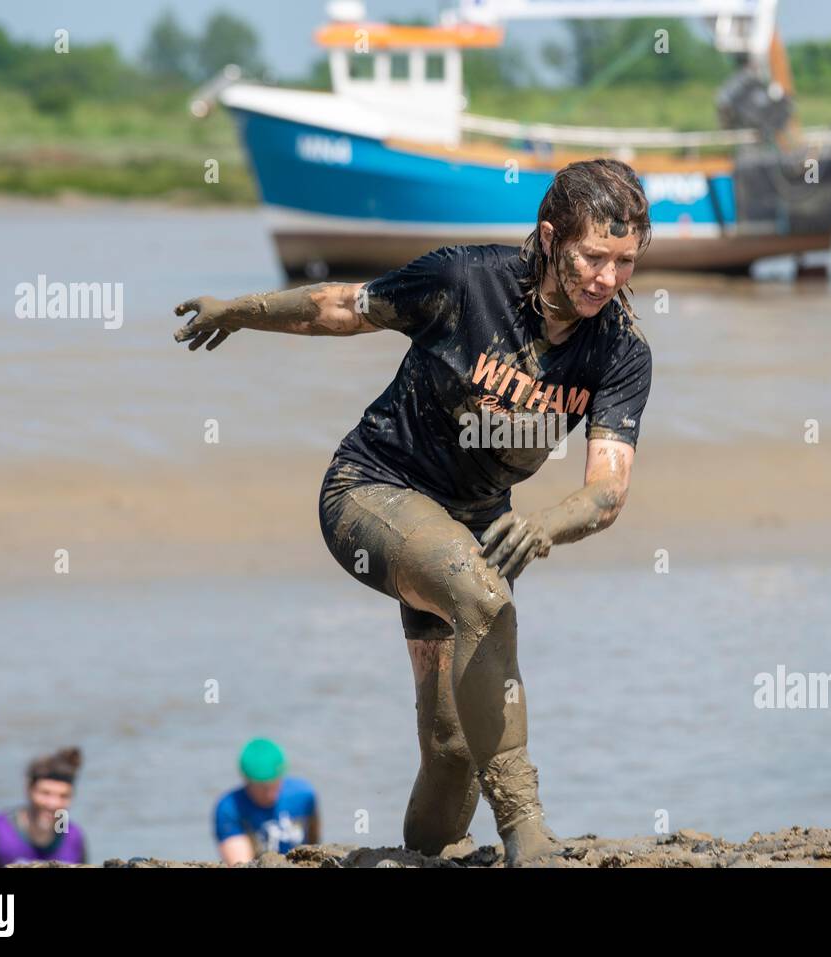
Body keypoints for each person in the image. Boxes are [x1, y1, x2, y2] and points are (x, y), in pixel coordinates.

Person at [173, 158, 653, 866]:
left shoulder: (620, 348)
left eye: (624, 261)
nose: (606, 279)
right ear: (550, 237)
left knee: (455, 747)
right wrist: (241, 311)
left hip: (472, 528)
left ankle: (429, 856)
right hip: (370, 492)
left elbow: (608, 488)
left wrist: (546, 524)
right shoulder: (464, 281)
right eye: (592, 257)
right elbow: (342, 306)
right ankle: (528, 832)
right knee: (483, 592)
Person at [0, 746, 88, 866]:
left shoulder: (74, 837)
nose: (53, 804)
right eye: (45, 793)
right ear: (29, 789)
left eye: (63, 796)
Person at [214, 738, 320, 864]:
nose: (269, 793)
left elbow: (315, 845)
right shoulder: (230, 808)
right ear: (246, 780)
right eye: (261, 787)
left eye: (274, 784)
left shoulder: (304, 796)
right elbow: (240, 864)